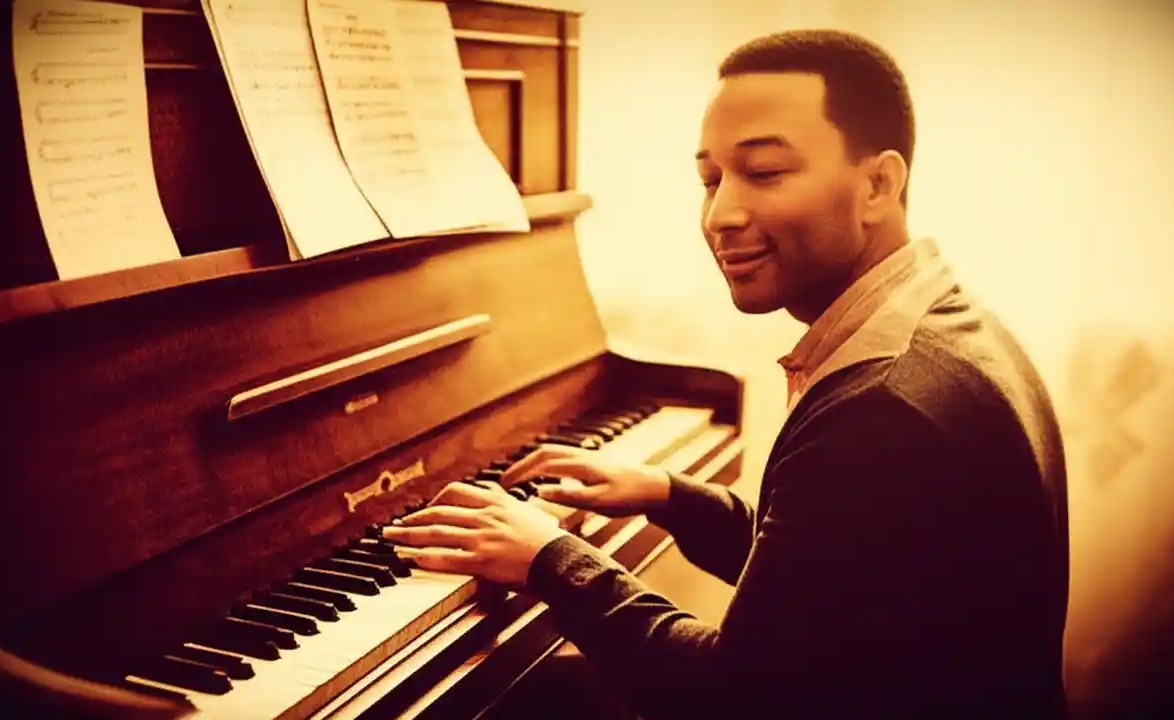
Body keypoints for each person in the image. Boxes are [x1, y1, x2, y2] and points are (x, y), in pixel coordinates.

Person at [382, 28, 1070, 719]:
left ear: (878, 185)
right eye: (710, 179)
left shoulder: (882, 408)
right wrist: (671, 495)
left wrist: (551, 559)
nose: (720, 214)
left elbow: (729, 696)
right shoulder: (943, 319)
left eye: (765, 173)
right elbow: (830, 573)